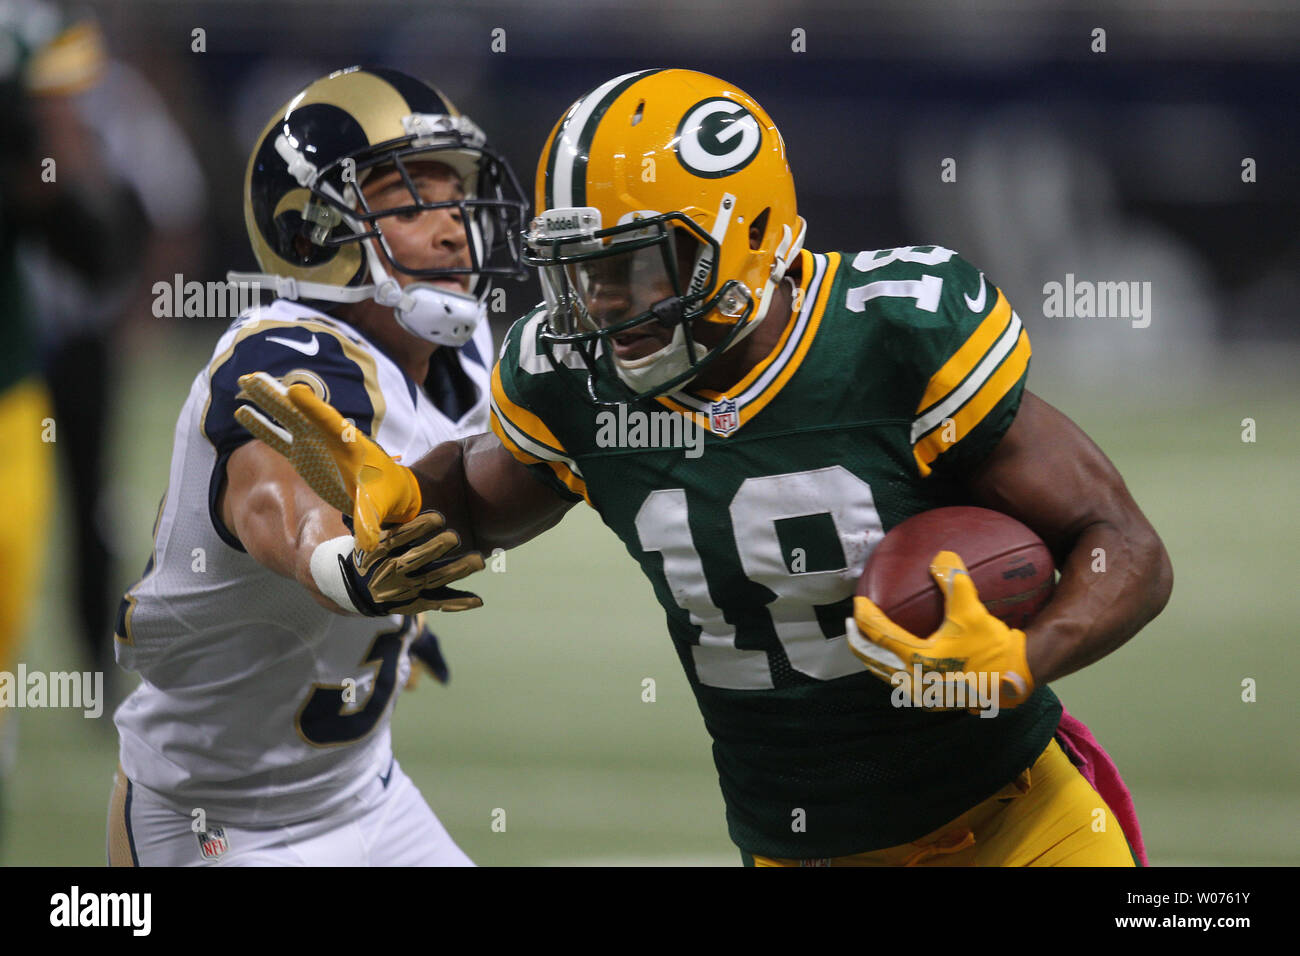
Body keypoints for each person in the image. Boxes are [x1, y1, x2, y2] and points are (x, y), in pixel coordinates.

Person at [237, 69, 1172, 866]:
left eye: (637, 267)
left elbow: (1124, 542)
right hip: (797, 846)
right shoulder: (573, 381)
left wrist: (1024, 655)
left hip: (1020, 821)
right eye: (579, 273)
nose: (605, 306)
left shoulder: (893, 334)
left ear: (747, 233)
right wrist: (403, 497)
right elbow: (476, 509)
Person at [108, 65, 528, 866]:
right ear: (312, 231)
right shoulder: (283, 354)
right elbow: (277, 488)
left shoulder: (465, 349)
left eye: (457, 199)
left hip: (369, 791)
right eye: (411, 204)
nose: (453, 230)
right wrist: (338, 559)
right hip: (218, 823)